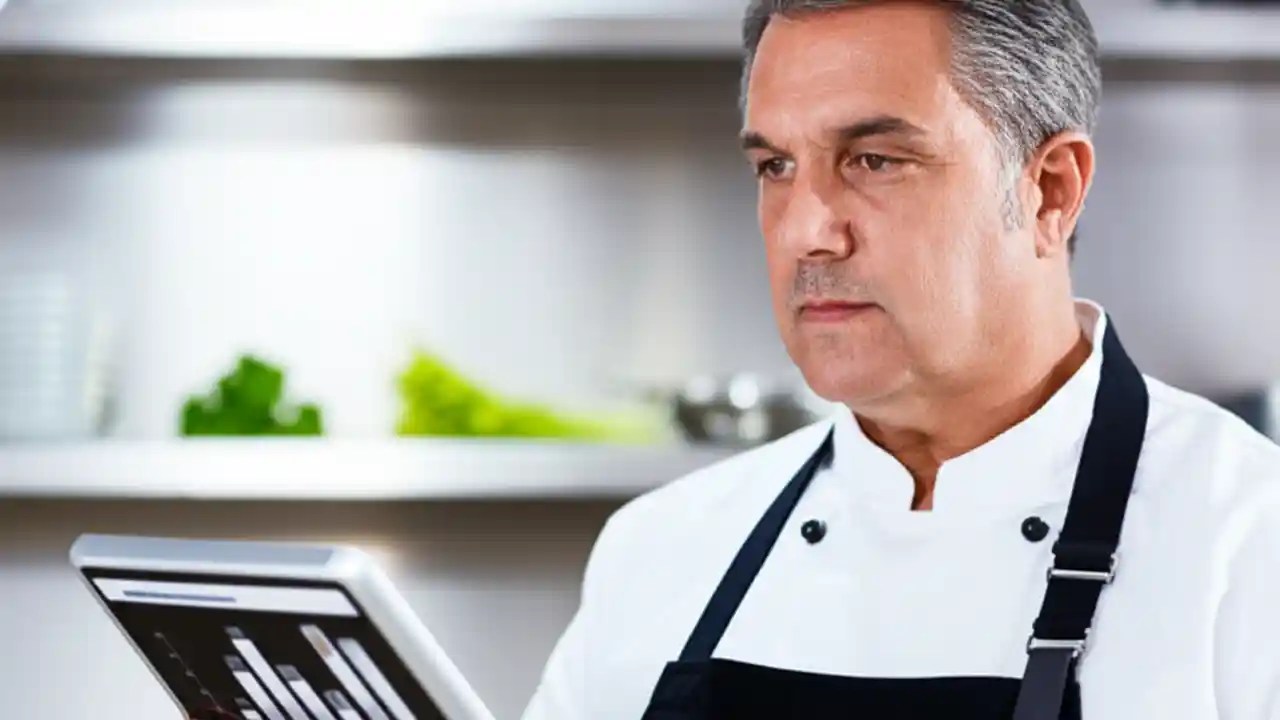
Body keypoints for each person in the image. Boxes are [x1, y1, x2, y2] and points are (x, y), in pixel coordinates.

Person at [522, 1, 1280, 718]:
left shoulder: (1248, 550)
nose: (806, 233)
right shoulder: (660, 552)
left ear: (1051, 191)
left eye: (875, 160)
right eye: (776, 167)